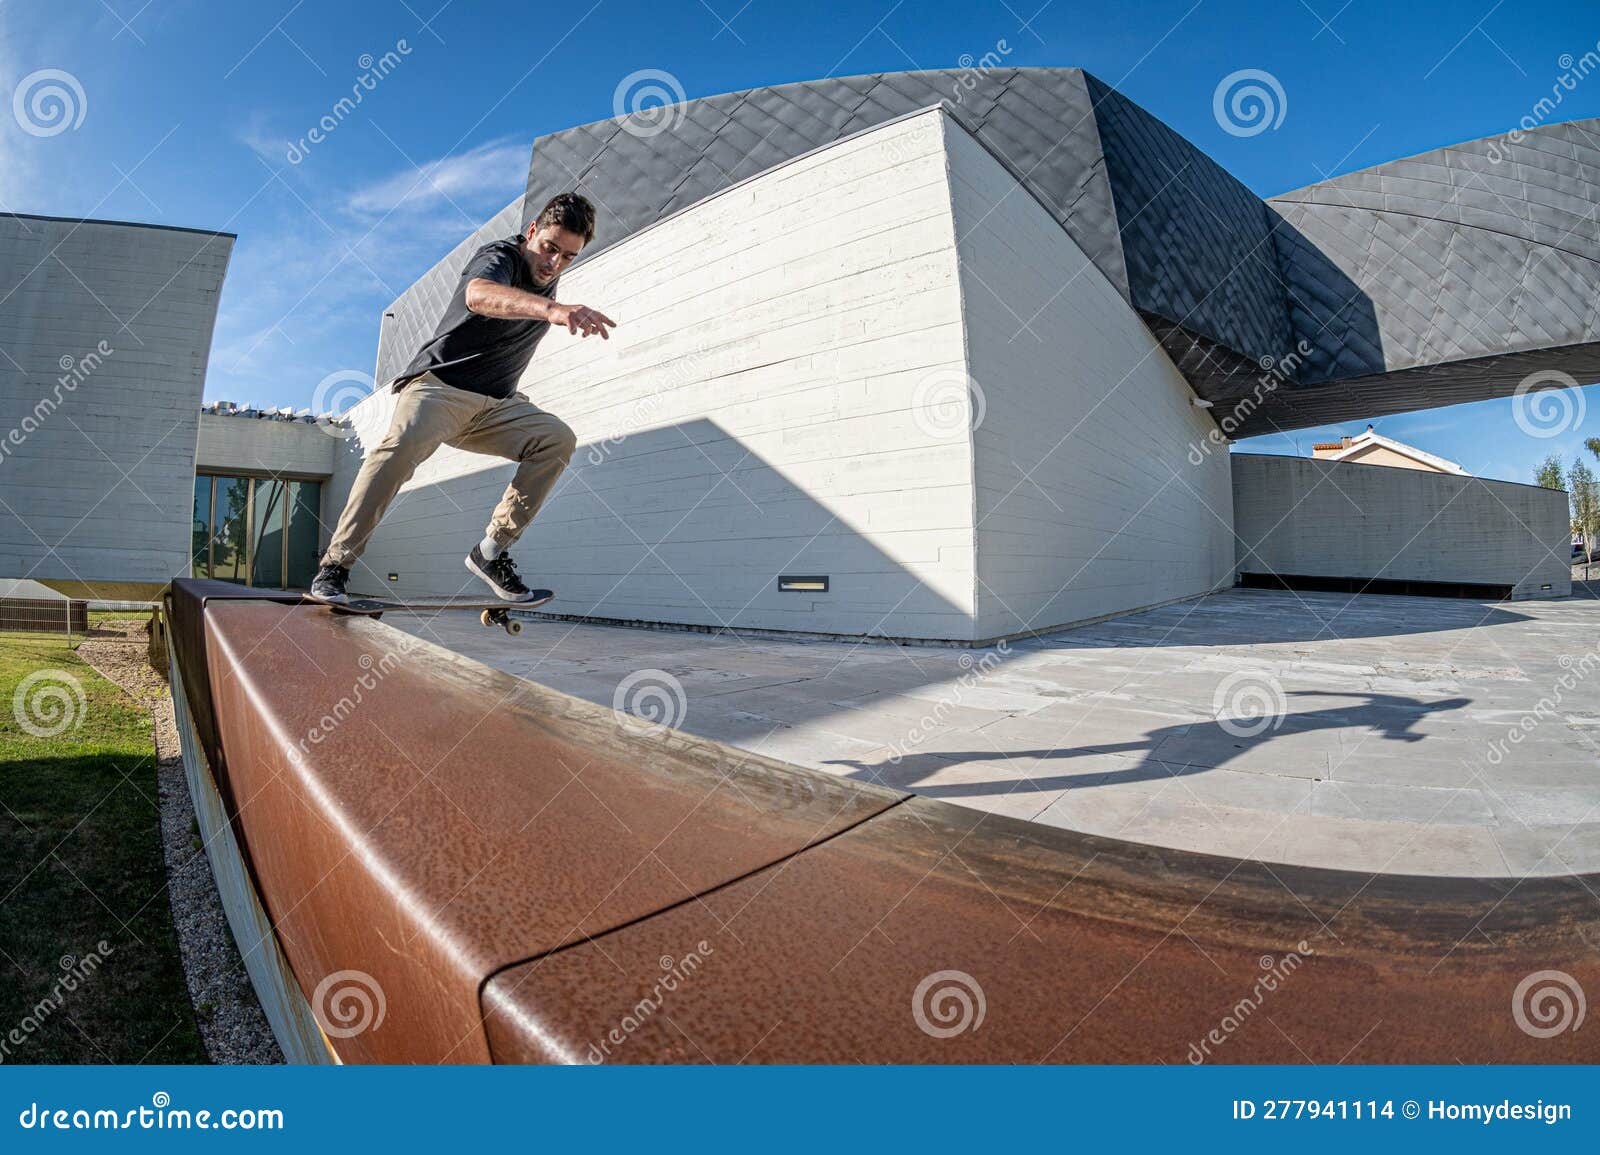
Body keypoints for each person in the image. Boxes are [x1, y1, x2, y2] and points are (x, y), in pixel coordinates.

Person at [309, 192, 616, 604]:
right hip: (441, 389)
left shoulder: (549, 272)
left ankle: (490, 552)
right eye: (549, 248)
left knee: (557, 440)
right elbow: (478, 294)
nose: (553, 264)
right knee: (399, 450)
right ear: (531, 232)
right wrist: (550, 310)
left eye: (567, 257)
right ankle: (335, 566)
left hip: (498, 406)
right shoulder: (501, 256)